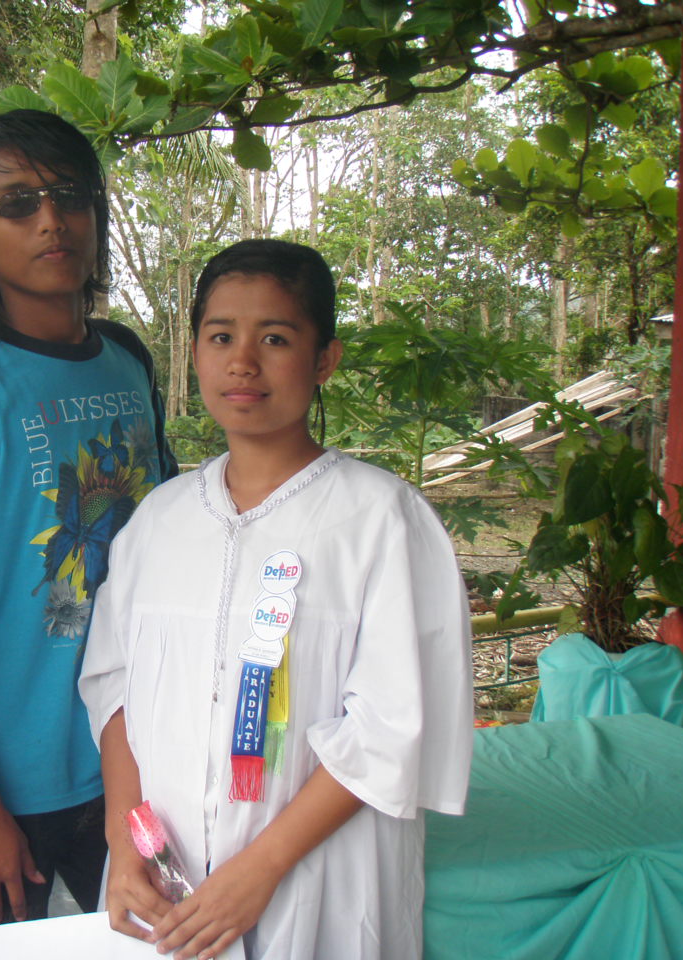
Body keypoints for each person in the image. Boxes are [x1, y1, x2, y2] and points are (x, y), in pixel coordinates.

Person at [79, 239, 474, 960]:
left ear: (325, 359)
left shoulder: (381, 520)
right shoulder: (158, 523)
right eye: (221, 336)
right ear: (194, 350)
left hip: (318, 882)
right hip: (165, 882)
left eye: (277, 339)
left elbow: (392, 729)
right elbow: (112, 690)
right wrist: (124, 836)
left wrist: (257, 872)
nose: (243, 361)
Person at [0, 108, 178, 959]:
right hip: (7, 787)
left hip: (140, 768)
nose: (51, 221)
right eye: (17, 203)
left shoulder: (128, 358)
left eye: (69, 196)